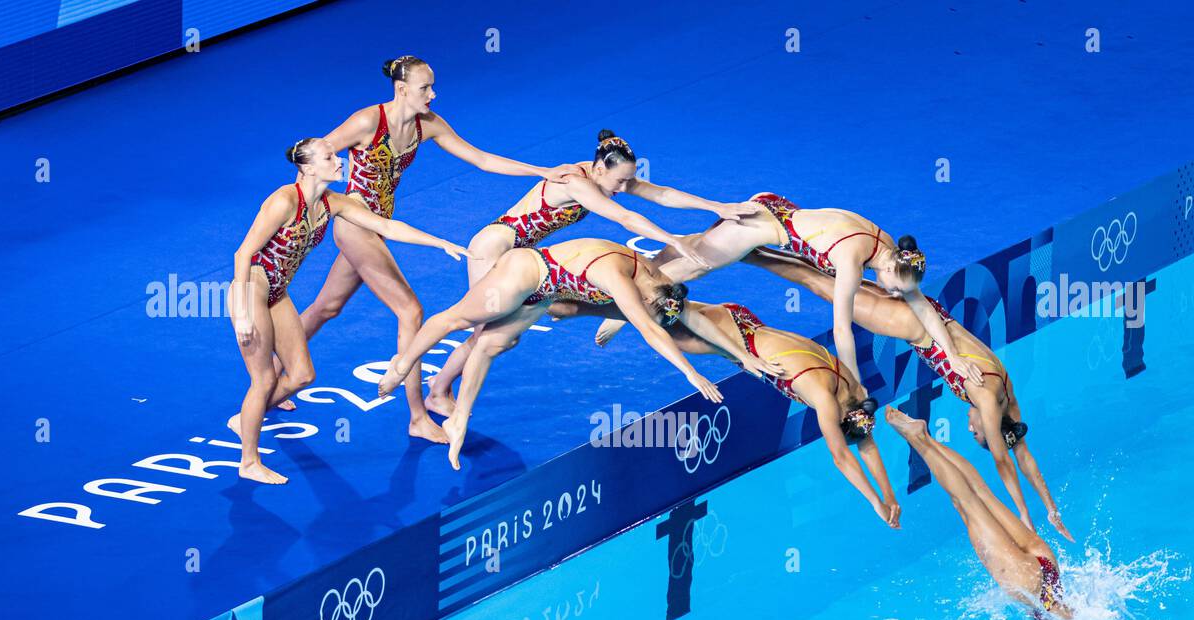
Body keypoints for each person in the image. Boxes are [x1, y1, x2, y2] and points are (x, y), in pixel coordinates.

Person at [273, 55, 581, 436]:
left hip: (379, 226)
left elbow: (481, 158)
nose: (433, 94)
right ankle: (418, 416)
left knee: (326, 307)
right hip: (354, 225)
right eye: (425, 88)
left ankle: (271, 382)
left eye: (432, 86)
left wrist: (541, 171)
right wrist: (304, 211)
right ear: (402, 90)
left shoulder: (428, 125)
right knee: (410, 311)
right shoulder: (367, 121)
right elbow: (315, 156)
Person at [426, 129, 761, 414]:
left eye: (629, 179)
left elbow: (661, 194)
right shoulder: (577, 182)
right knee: (487, 332)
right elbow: (625, 218)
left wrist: (716, 206)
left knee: (504, 337)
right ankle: (436, 392)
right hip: (495, 246)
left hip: (523, 253)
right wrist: (670, 238)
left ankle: (439, 387)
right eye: (620, 180)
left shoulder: (606, 178)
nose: (624, 186)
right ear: (600, 168)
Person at [744, 249, 1071, 538]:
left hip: (934, 315)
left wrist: (1050, 507)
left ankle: (757, 249)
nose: (970, 428)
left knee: (834, 279)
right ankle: (749, 252)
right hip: (913, 326)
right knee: (824, 286)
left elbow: (1021, 452)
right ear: (991, 426)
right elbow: (1004, 460)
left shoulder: (1008, 398)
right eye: (979, 434)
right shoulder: (986, 399)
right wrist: (1024, 515)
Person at [376, 239, 781, 466]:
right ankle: (402, 366)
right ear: (647, 295)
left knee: (494, 343)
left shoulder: (659, 281)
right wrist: (690, 373)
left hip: (547, 293)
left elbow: (692, 319)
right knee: (455, 321)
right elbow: (648, 330)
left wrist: (743, 356)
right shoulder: (618, 276)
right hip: (525, 273)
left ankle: (460, 416)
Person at [228, 137, 468, 484]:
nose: (340, 160)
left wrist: (439, 242)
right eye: (330, 157)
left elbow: (386, 226)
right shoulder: (283, 200)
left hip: (277, 292)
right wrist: (243, 314)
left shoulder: (332, 203)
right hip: (251, 289)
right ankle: (248, 461)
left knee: (302, 376)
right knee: (264, 379)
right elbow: (243, 254)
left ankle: (246, 417)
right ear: (308, 168)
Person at [593, 193, 978, 388]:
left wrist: (953, 356)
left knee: (698, 251)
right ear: (893, 267)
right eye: (896, 287)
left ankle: (649, 266)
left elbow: (922, 305)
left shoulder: (894, 253)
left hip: (776, 209)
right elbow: (842, 329)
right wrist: (855, 381)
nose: (895, 294)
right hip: (764, 224)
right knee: (694, 267)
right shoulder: (851, 259)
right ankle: (621, 306)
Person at [610, 299, 901, 527]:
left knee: (673, 305)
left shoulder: (857, 393)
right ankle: (618, 310)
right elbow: (841, 457)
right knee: (656, 324)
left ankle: (627, 305)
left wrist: (889, 496)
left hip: (742, 318)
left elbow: (866, 443)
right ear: (839, 419)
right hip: (733, 342)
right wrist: (874, 500)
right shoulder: (823, 399)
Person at [885, 407, 1070, 620]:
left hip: (1049, 572)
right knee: (966, 503)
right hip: (1031, 586)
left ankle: (926, 437)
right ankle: (918, 438)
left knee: (981, 493)